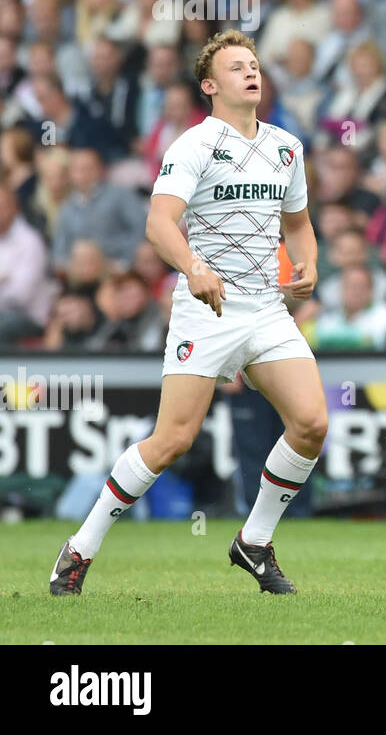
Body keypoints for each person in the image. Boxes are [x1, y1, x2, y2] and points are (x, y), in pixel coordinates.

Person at [51, 30, 323, 597]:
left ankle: (253, 541)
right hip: (207, 313)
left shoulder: (286, 147)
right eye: (236, 67)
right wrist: (194, 268)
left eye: (254, 64)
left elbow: (297, 222)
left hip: (267, 311)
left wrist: (310, 264)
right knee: (171, 440)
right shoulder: (192, 146)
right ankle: (79, 548)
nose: (251, 72)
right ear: (210, 85)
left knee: (313, 423)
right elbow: (158, 225)